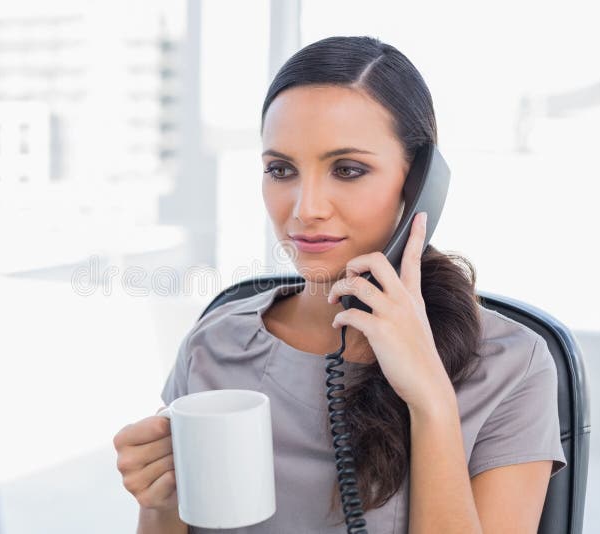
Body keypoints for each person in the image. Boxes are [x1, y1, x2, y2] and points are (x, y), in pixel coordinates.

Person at [113, 35, 566, 533]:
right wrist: (158, 504)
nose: (305, 208)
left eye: (348, 170)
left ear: (420, 186)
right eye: (280, 169)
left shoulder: (511, 365)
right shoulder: (214, 345)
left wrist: (431, 401)